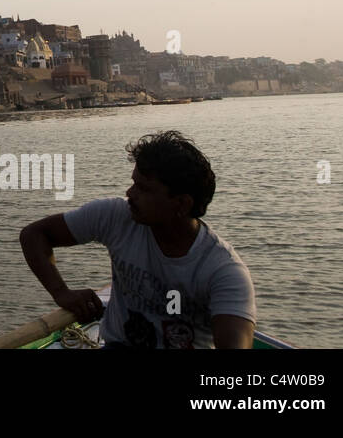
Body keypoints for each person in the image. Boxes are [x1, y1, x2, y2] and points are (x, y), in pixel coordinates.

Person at [19, 130, 255, 349]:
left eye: (144, 188)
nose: (130, 194)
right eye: (134, 183)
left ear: (182, 204)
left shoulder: (224, 271)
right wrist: (61, 292)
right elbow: (34, 235)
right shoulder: (116, 216)